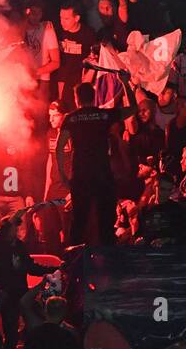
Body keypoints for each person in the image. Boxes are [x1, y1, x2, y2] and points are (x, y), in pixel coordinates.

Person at [57, 77, 137, 247]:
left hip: (81, 174)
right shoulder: (103, 115)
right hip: (102, 173)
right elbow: (133, 109)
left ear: (77, 99)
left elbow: (59, 147)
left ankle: (74, 263)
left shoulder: (71, 118)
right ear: (93, 97)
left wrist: (63, 174)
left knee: (79, 220)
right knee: (106, 220)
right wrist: (125, 82)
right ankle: (108, 262)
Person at [0, 208, 59, 349]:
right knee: (11, 335)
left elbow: (30, 267)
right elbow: (0, 234)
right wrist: (13, 218)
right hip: (6, 295)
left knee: (34, 326)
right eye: (14, 227)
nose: (17, 230)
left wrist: (54, 269)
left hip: (22, 292)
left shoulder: (20, 246)